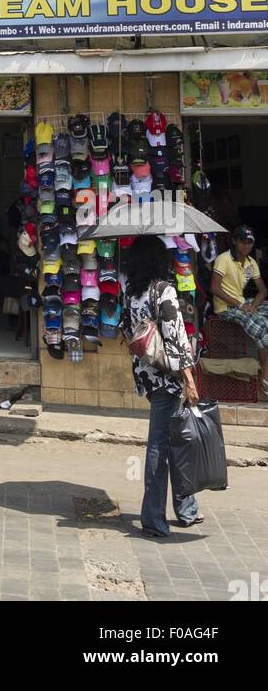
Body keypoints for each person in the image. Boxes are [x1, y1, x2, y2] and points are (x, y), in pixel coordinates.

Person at [121, 237, 202, 538]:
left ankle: (187, 508)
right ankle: (154, 518)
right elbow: (176, 338)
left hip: (147, 376)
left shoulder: (131, 292)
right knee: (160, 444)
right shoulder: (164, 291)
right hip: (169, 379)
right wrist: (189, 379)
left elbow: (128, 332)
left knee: (173, 440)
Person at [211, 226, 268, 400]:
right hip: (226, 308)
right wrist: (241, 305)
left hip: (243, 304)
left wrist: (253, 306)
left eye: (250, 242)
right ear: (235, 241)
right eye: (243, 241)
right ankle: (266, 375)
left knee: (261, 316)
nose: (246, 245)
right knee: (262, 327)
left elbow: (263, 290)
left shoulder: (251, 262)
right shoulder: (224, 259)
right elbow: (214, 287)